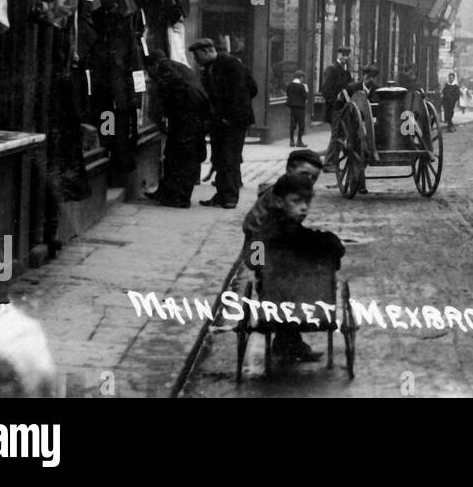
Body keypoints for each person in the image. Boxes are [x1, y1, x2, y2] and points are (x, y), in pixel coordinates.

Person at [246, 172, 344, 364]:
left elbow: (252, 262)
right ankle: (289, 342)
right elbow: (336, 250)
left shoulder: (262, 234)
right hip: (310, 305)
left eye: (307, 202)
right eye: (297, 201)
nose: (304, 208)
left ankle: (287, 341)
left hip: (274, 306)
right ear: (279, 202)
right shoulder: (308, 238)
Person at [190, 37, 258, 209]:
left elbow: (245, 89)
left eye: (197, 56)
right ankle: (221, 196)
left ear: (207, 51)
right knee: (220, 159)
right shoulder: (210, 67)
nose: (196, 60)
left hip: (233, 122)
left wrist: (231, 116)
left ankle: (229, 197)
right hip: (220, 121)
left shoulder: (230, 63)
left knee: (230, 159)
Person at [143, 53, 212, 208]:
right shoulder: (176, 66)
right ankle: (166, 193)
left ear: (153, 66)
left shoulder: (165, 70)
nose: (150, 75)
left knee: (181, 158)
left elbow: (163, 96)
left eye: (148, 71)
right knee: (173, 155)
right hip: (191, 117)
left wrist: (159, 119)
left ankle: (180, 198)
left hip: (187, 118)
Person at [285, 70, 309, 147]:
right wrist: (306, 90)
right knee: (301, 125)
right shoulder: (302, 86)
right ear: (300, 78)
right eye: (303, 78)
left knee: (292, 124)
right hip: (300, 108)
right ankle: (299, 141)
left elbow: (288, 93)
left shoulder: (289, 85)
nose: (303, 79)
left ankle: (291, 141)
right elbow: (305, 96)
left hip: (292, 107)